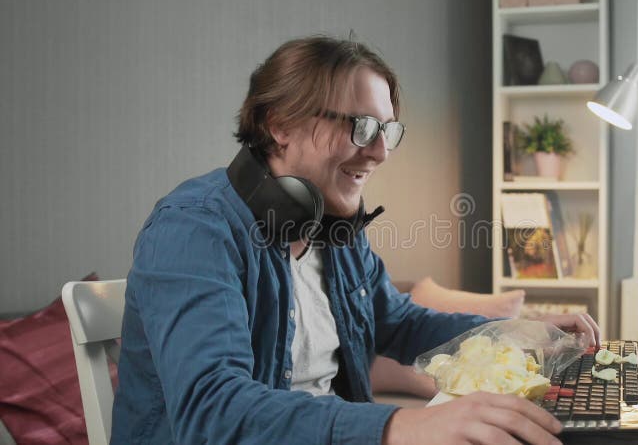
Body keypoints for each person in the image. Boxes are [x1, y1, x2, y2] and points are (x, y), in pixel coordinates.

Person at [111, 35, 600, 445]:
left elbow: (399, 323)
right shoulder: (193, 229)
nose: (381, 152)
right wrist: (399, 425)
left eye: (388, 130)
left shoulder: (332, 226)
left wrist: (519, 333)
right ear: (280, 125)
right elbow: (212, 410)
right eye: (362, 126)